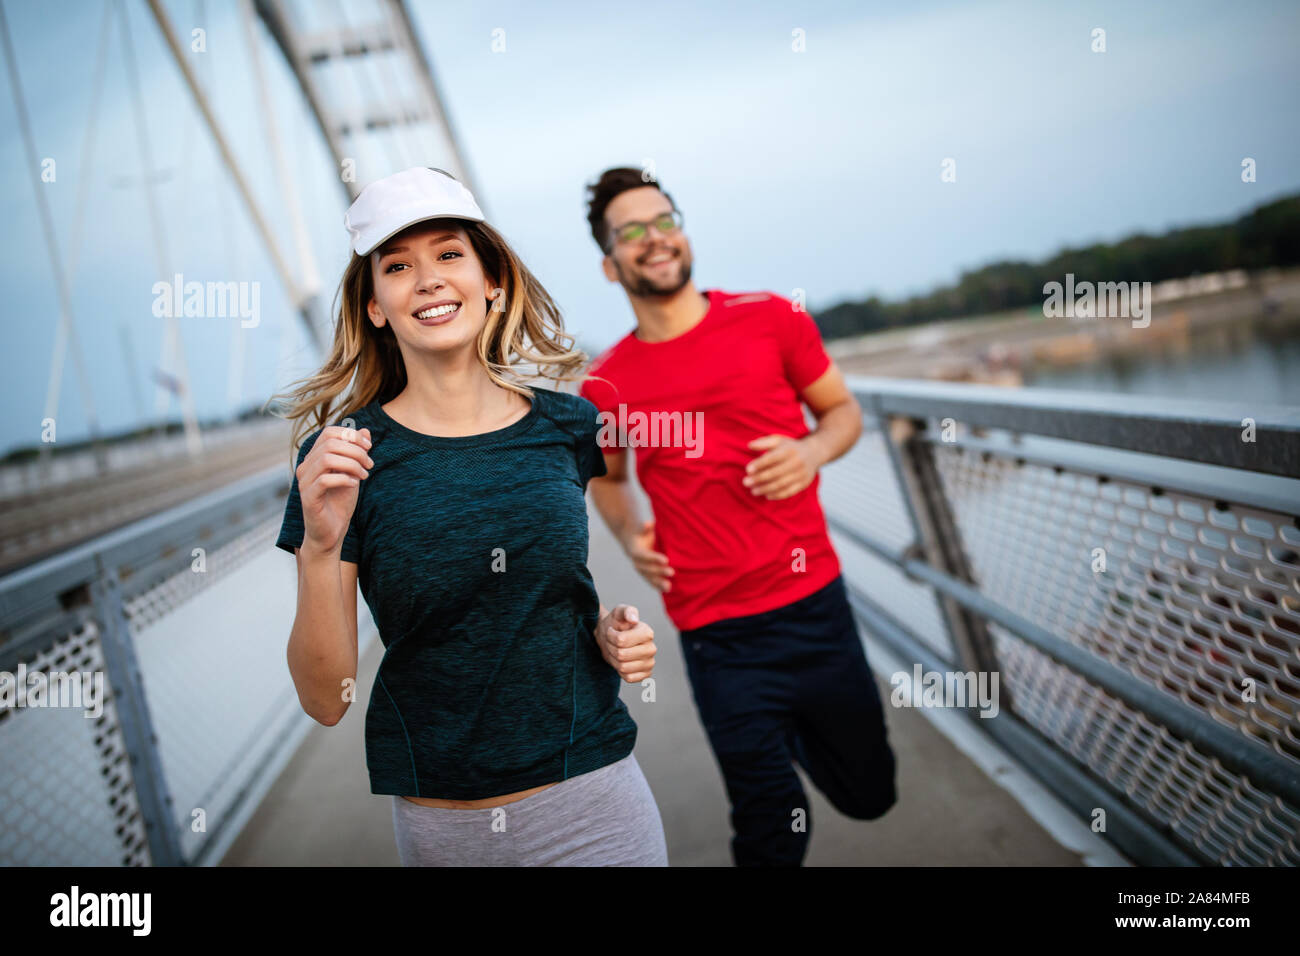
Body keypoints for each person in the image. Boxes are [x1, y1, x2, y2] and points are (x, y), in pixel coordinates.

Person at [271, 166, 668, 866]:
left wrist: (606, 633)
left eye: (449, 254)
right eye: (398, 266)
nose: (427, 279)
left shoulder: (568, 427)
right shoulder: (344, 458)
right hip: (445, 829)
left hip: (593, 800)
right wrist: (319, 549)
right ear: (374, 306)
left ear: (493, 281)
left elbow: (540, 599)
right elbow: (326, 699)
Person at [578, 167, 897, 866]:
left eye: (664, 220)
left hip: (815, 608)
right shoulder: (606, 383)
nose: (653, 239)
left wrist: (811, 451)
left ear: (682, 232)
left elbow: (842, 413)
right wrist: (632, 535)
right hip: (717, 633)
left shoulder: (771, 318)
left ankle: (797, 734)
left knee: (871, 793)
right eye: (630, 232)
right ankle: (771, 745)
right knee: (768, 824)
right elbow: (608, 478)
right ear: (610, 263)